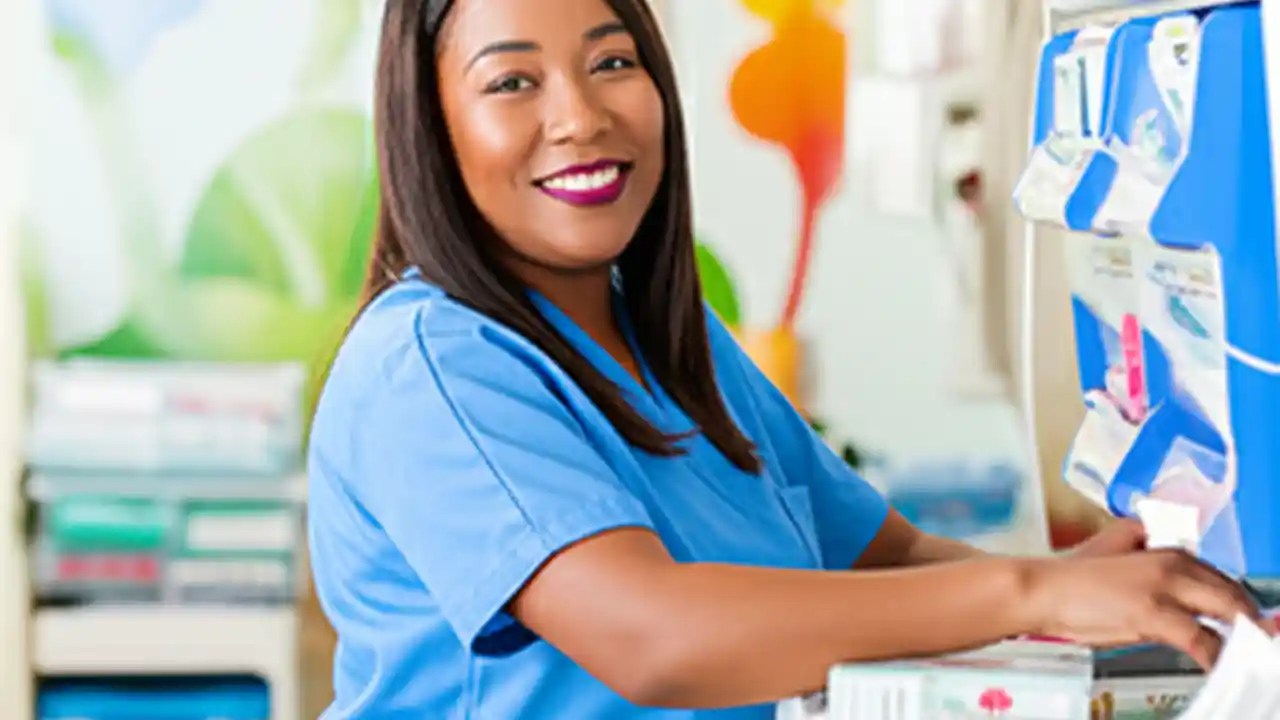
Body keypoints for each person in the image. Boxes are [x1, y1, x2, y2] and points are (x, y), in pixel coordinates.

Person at [305, 0, 1264, 717]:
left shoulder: (670, 339)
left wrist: (1086, 591)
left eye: (612, 62)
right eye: (513, 82)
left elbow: (885, 560)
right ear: (431, 126)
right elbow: (653, 638)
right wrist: (1033, 592)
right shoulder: (428, 364)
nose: (581, 116)